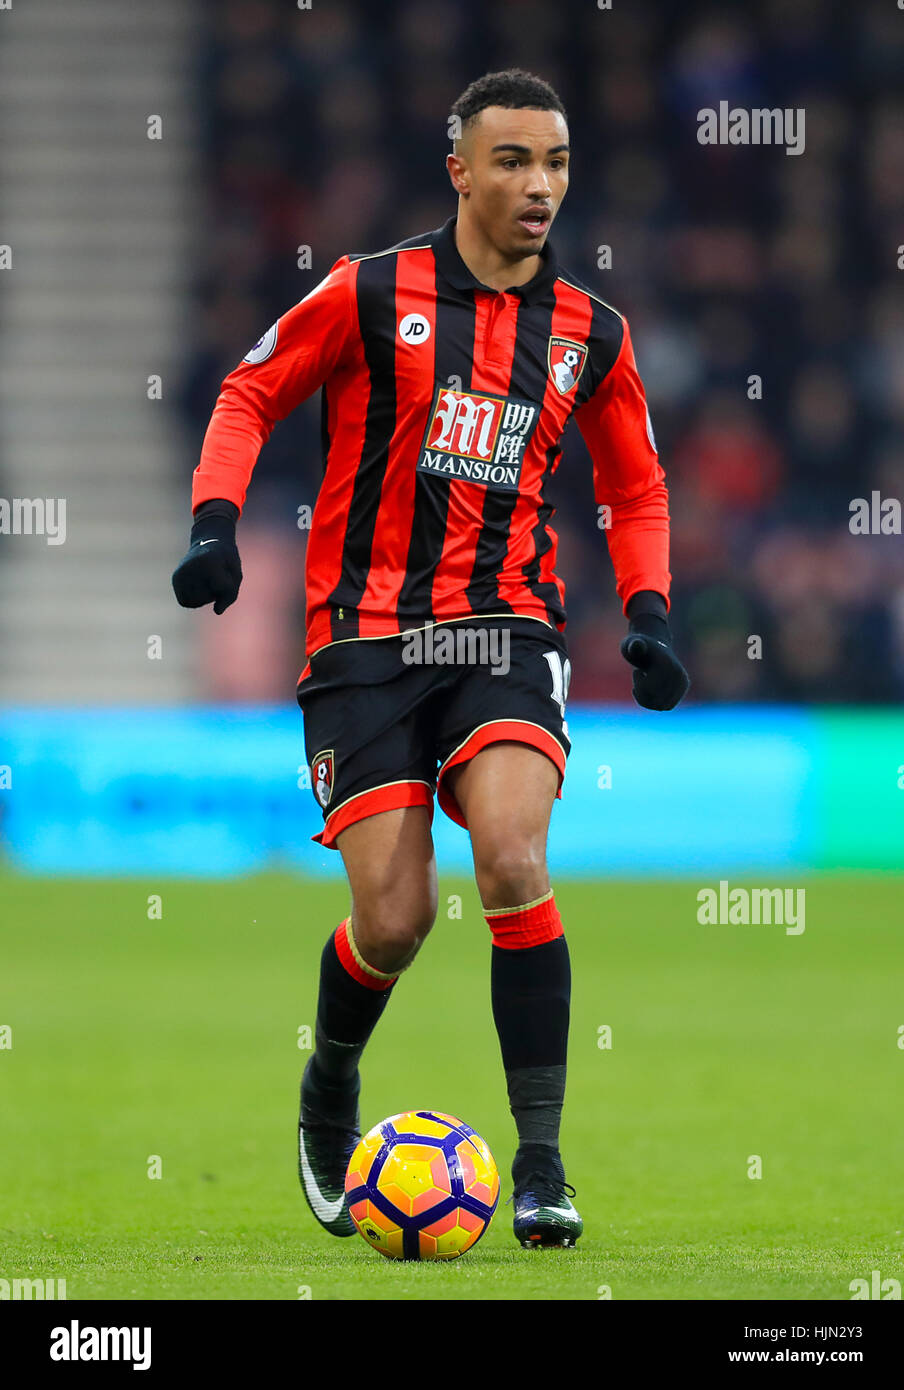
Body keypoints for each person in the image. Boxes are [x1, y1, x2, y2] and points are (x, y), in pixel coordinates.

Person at [172, 68, 689, 1250]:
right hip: (362, 639)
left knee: (511, 856)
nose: (538, 184)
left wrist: (651, 609)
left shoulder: (589, 334)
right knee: (395, 920)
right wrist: (213, 522)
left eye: (554, 161)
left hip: (507, 628)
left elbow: (635, 479)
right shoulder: (366, 294)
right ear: (458, 170)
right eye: (512, 160)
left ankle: (544, 1166)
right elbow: (249, 392)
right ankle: (329, 1086)